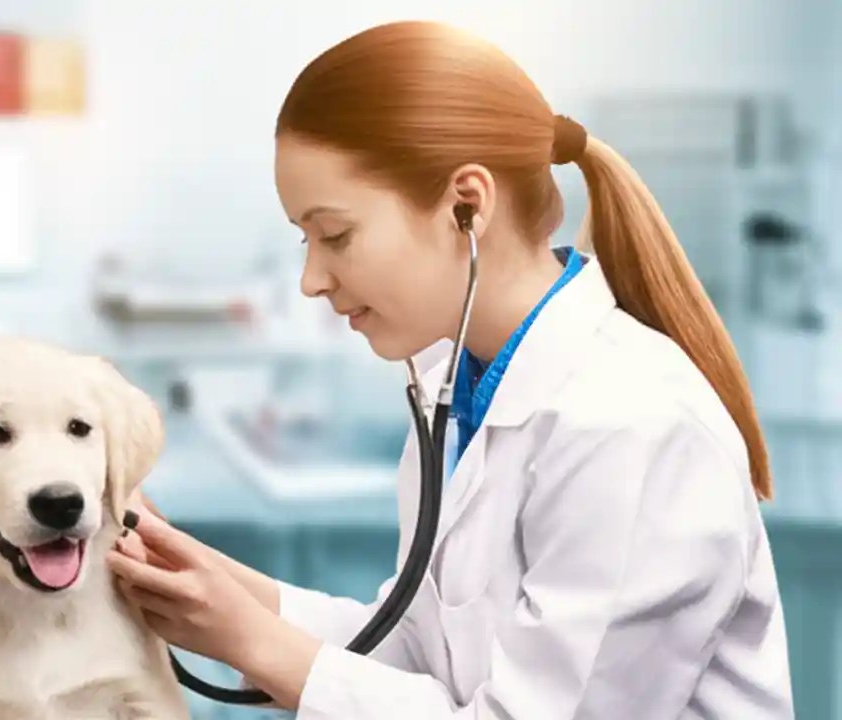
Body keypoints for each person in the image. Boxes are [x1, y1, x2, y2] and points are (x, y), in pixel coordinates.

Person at [105, 20, 794, 719]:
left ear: (467, 205)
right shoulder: (458, 396)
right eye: (305, 240)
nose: (312, 278)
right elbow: (411, 650)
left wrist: (252, 641)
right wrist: (199, 578)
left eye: (335, 235)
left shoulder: (631, 423)